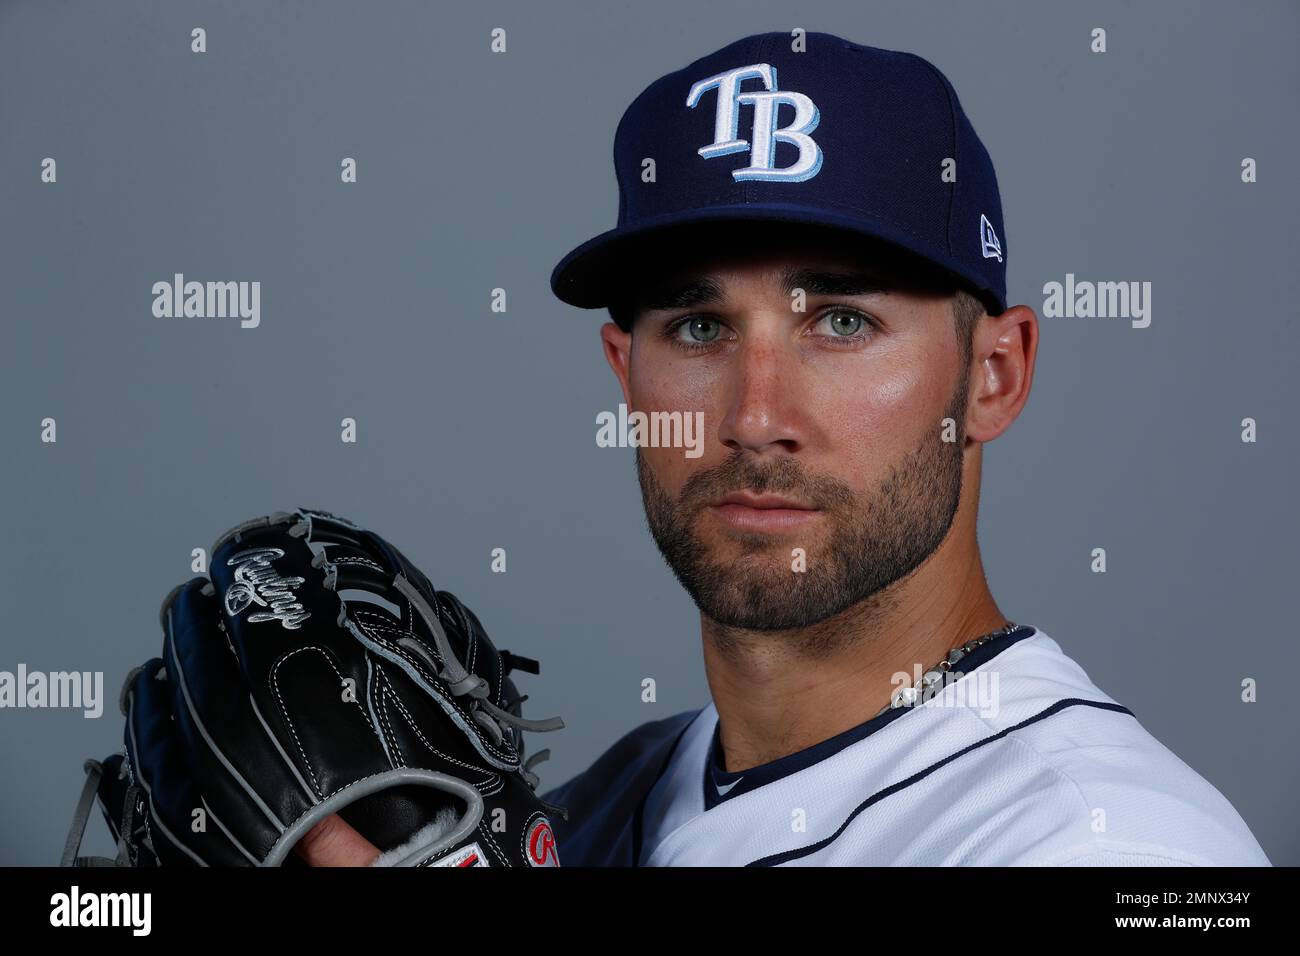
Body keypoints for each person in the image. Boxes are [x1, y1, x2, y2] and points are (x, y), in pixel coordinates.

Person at [292, 30, 1270, 866]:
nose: (755, 416)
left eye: (840, 321)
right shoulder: (604, 806)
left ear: (993, 375)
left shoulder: (1108, 839)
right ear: (623, 371)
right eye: (699, 328)